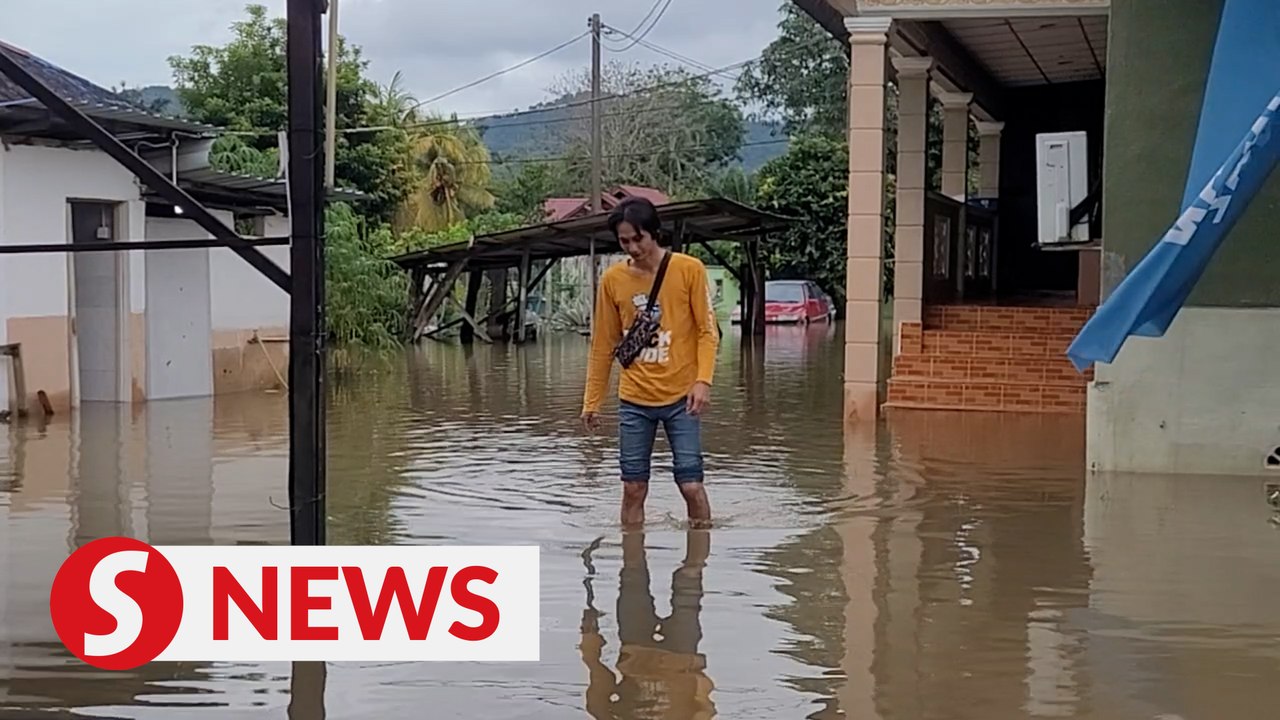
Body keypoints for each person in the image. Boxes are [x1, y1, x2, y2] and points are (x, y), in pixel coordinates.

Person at [581, 196, 718, 528]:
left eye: (638, 238)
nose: (632, 247)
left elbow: (706, 331)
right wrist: (592, 401)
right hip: (634, 400)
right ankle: (631, 554)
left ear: (654, 232)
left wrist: (703, 380)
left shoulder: (689, 269)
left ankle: (701, 548)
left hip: (682, 398)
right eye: (624, 241)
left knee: (691, 485)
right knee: (633, 488)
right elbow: (603, 345)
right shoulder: (613, 280)